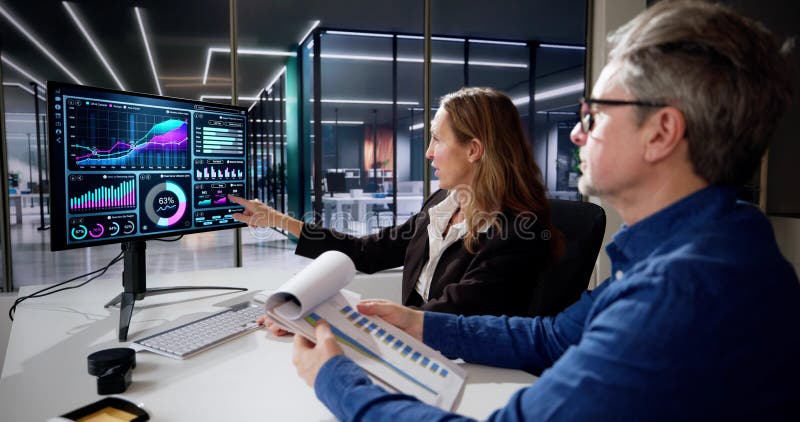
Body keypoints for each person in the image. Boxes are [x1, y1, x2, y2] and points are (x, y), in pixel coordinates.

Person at [288, 1, 800, 420]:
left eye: (595, 116)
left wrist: (335, 378)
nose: (577, 133)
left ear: (661, 133)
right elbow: (551, 336)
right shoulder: (711, 244)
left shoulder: (679, 293)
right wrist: (415, 323)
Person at [230, 87, 563, 320]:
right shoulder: (441, 205)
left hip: (461, 363)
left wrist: (335, 323)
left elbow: (450, 314)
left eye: (437, 139)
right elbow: (366, 251)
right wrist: (278, 219)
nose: (429, 152)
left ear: (473, 150)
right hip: (419, 342)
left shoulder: (517, 231)